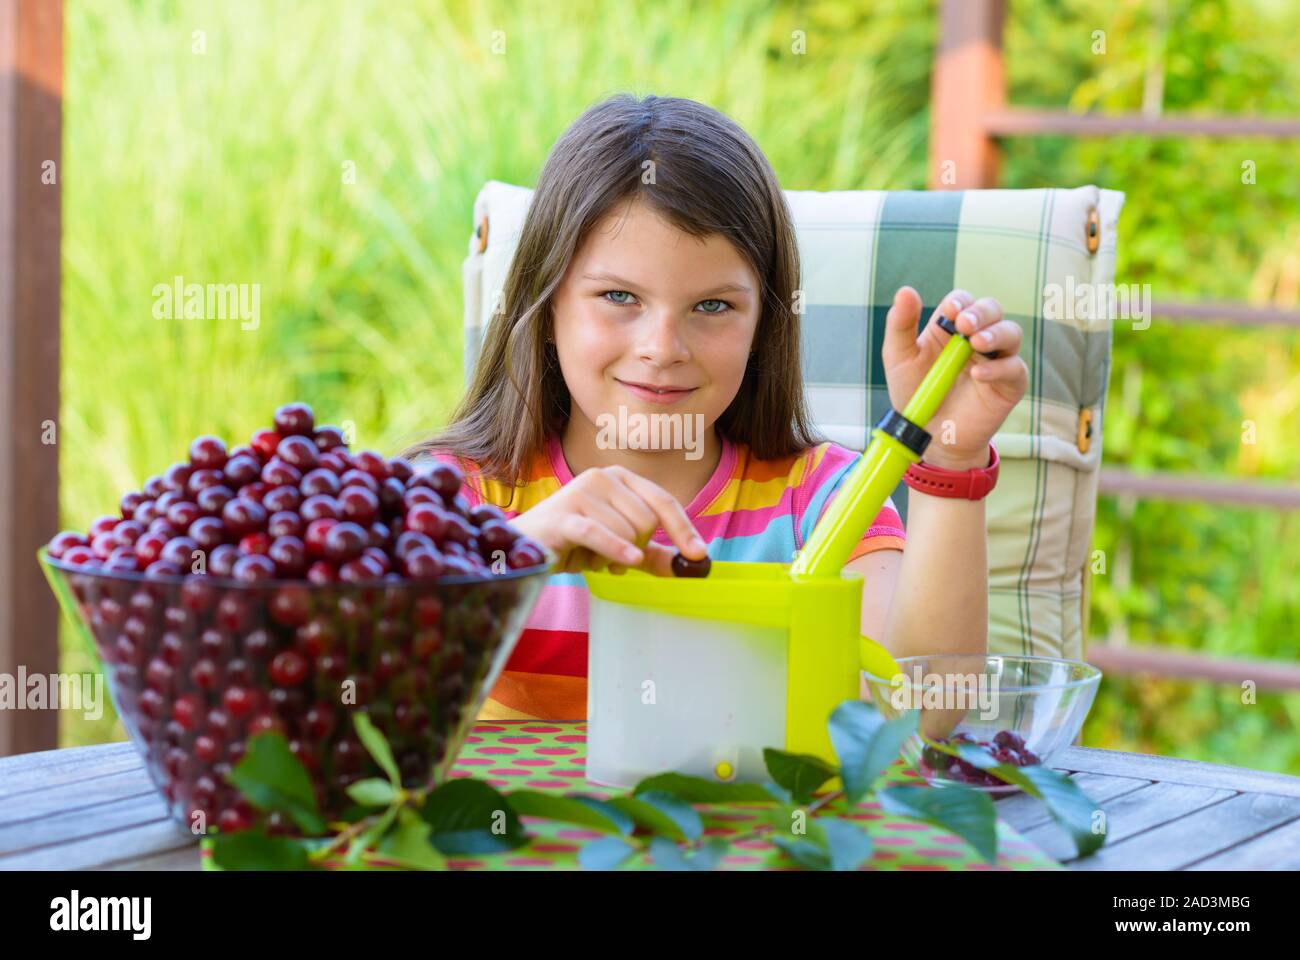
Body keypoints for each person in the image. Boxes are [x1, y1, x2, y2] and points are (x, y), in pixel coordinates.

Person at [403, 94, 1028, 721]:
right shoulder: (453, 497)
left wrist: (949, 452)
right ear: (546, 309)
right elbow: (366, 706)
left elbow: (918, 715)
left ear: (764, 325)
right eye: (619, 296)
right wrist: (513, 558)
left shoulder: (821, 500)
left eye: (712, 306)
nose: (662, 348)